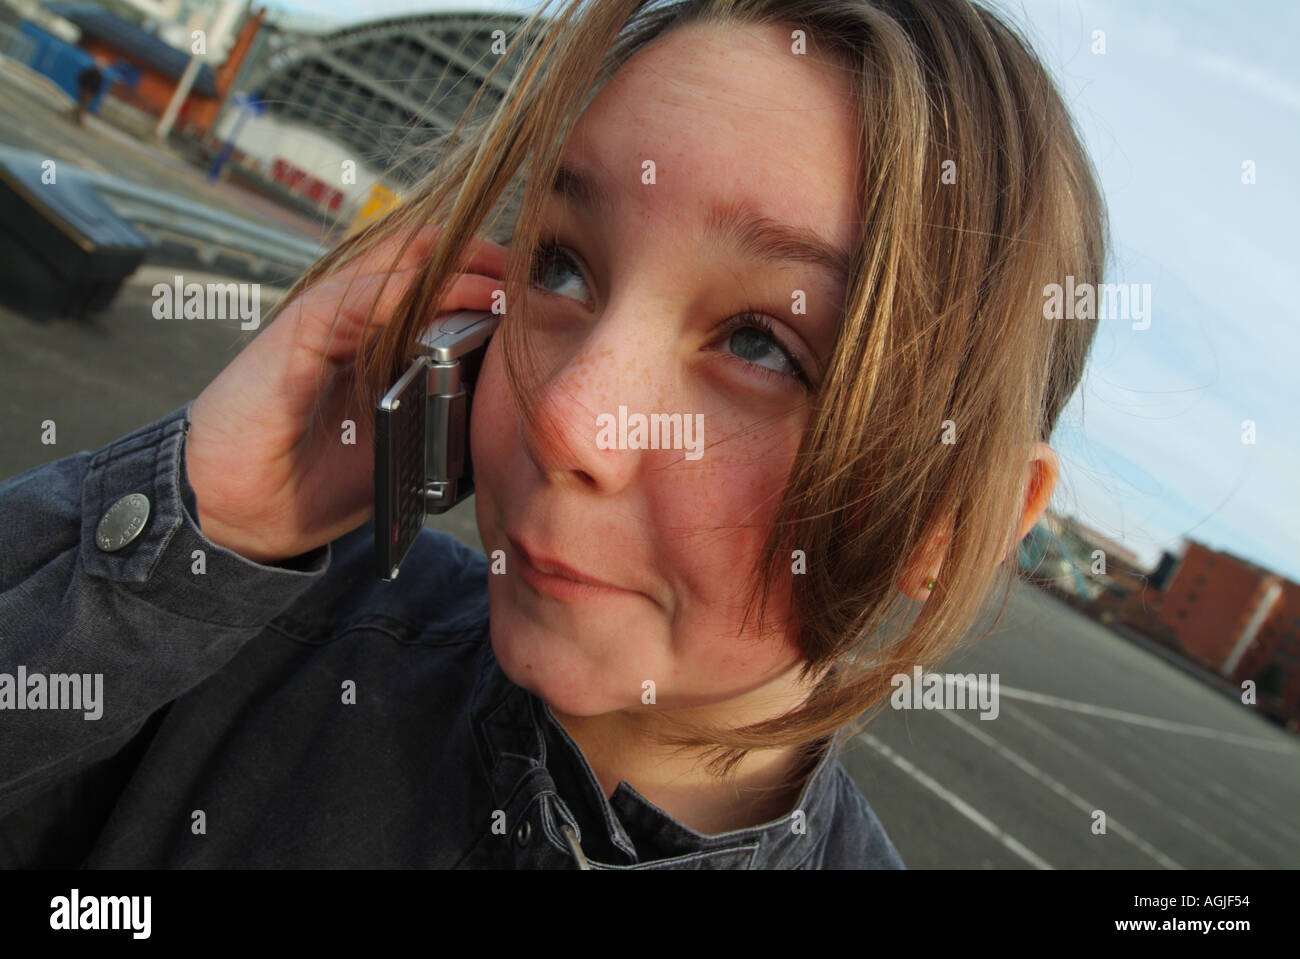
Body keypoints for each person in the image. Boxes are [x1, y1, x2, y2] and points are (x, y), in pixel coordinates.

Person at [0, 0, 1105, 868]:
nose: (568, 414)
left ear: (952, 526)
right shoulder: (248, 627)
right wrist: (185, 535)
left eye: (764, 343)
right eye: (561, 265)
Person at [71, 61, 103, 127]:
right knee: (82, 106)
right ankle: (78, 121)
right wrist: (83, 87)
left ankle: (71, 116)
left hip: (90, 92)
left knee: (81, 106)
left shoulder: (99, 75)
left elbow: (98, 85)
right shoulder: (90, 72)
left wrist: (95, 92)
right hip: (85, 90)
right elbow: (81, 78)